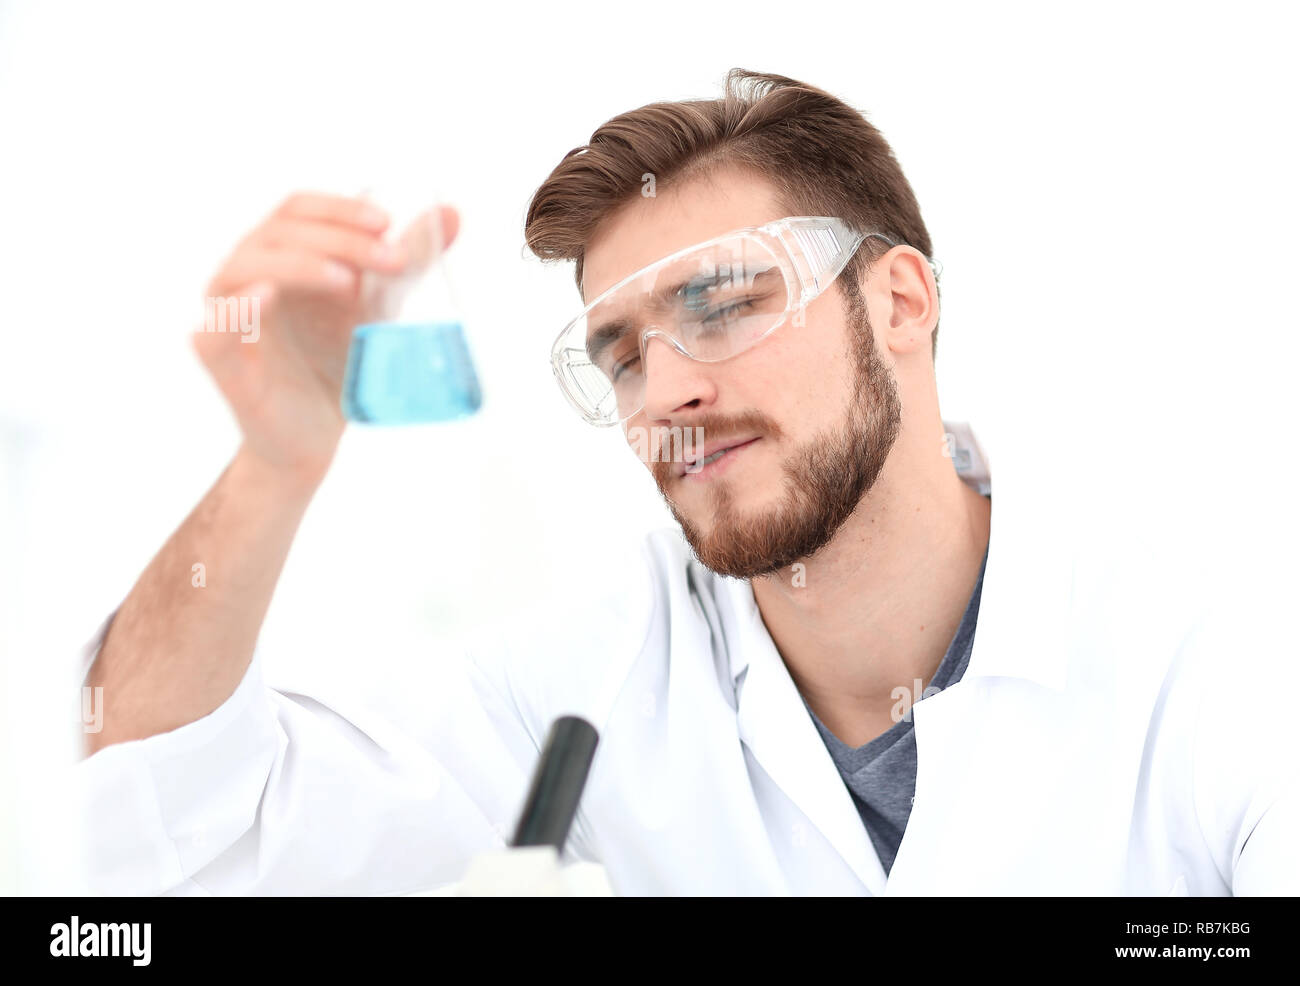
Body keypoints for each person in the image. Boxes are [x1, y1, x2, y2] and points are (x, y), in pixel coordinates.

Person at [75, 69, 1297, 895]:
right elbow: (166, 823)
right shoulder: (580, 682)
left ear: (901, 301)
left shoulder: (1212, 636)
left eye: (724, 301)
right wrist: (275, 461)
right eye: (618, 352)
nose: (662, 392)